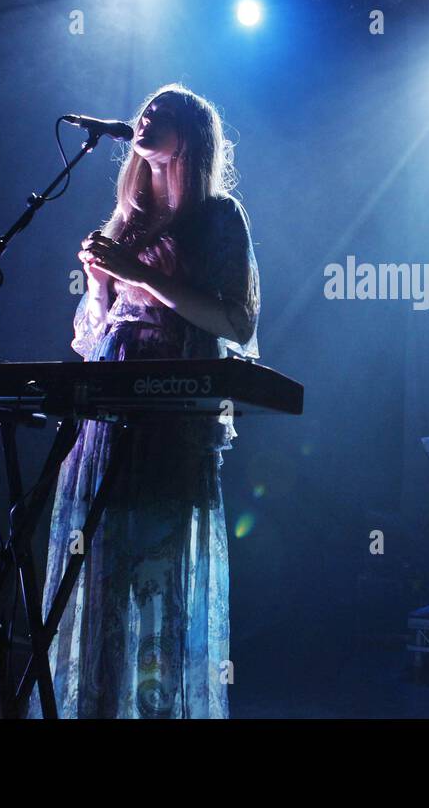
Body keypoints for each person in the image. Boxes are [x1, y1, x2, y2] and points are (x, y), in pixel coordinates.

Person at [31, 83, 259, 719]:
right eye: (144, 110)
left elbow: (235, 323)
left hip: (170, 416)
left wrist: (142, 277)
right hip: (107, 410)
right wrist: (103, 286)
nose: (144, 117)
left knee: (153, 581)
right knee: (98, 575)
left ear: (191, 136)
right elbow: (89, 336)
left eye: (162, 113)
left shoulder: (217, 217)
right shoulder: (125, 220)